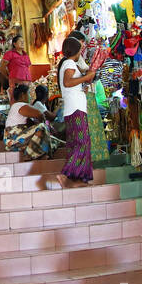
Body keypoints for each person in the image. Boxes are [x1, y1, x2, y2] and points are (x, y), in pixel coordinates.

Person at [55, 36, 102, 189]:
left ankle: (80, 177)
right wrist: (87, 77)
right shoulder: (68, 63)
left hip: (73, 108)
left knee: (76, 142)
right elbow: (67, 83)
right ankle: (66, 174)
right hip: (76, 108)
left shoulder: (68, 63)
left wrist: (84, 80)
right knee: (82, 142)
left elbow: (70, 84)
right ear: (76, 50)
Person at [4, 83, 55, 161]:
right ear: (22, 94)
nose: (31, 96)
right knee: (42, 127)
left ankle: (38, 154)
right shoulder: (19, 105)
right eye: (29, 94)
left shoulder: (17, 106)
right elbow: (39, 114)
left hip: (17, 139)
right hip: (13, 139)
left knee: (53, 140)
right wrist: (42, 122)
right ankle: (30, 155)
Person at [1, 36, 33, 101]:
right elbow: (2, 67)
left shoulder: (25, 55)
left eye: (23, 41)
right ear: (14, 44)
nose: (22, 43)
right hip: (16, 82)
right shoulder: (10, 54)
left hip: (27, 82)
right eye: (20, 41)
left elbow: (28, 67)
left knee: (26, 100)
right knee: (16, 99)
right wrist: (8, 76)